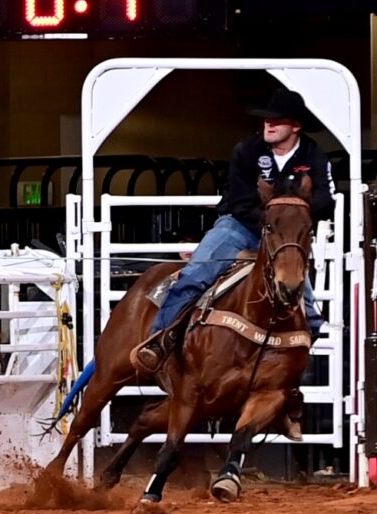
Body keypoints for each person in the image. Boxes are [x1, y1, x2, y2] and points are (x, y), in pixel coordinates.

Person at [132, 87, 335, 438]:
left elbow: (325, 201)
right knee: (194, 275)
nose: (268, 125)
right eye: (267, 120)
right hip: (240, 227)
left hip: (285, 237)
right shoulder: (248, 151)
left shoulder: (315, 156)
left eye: (277, 120)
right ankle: (158, 341)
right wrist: (275, 216)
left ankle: (287, 387)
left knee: (311, 315)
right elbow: (239, 199)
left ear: (295, 127)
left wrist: (287, 218)